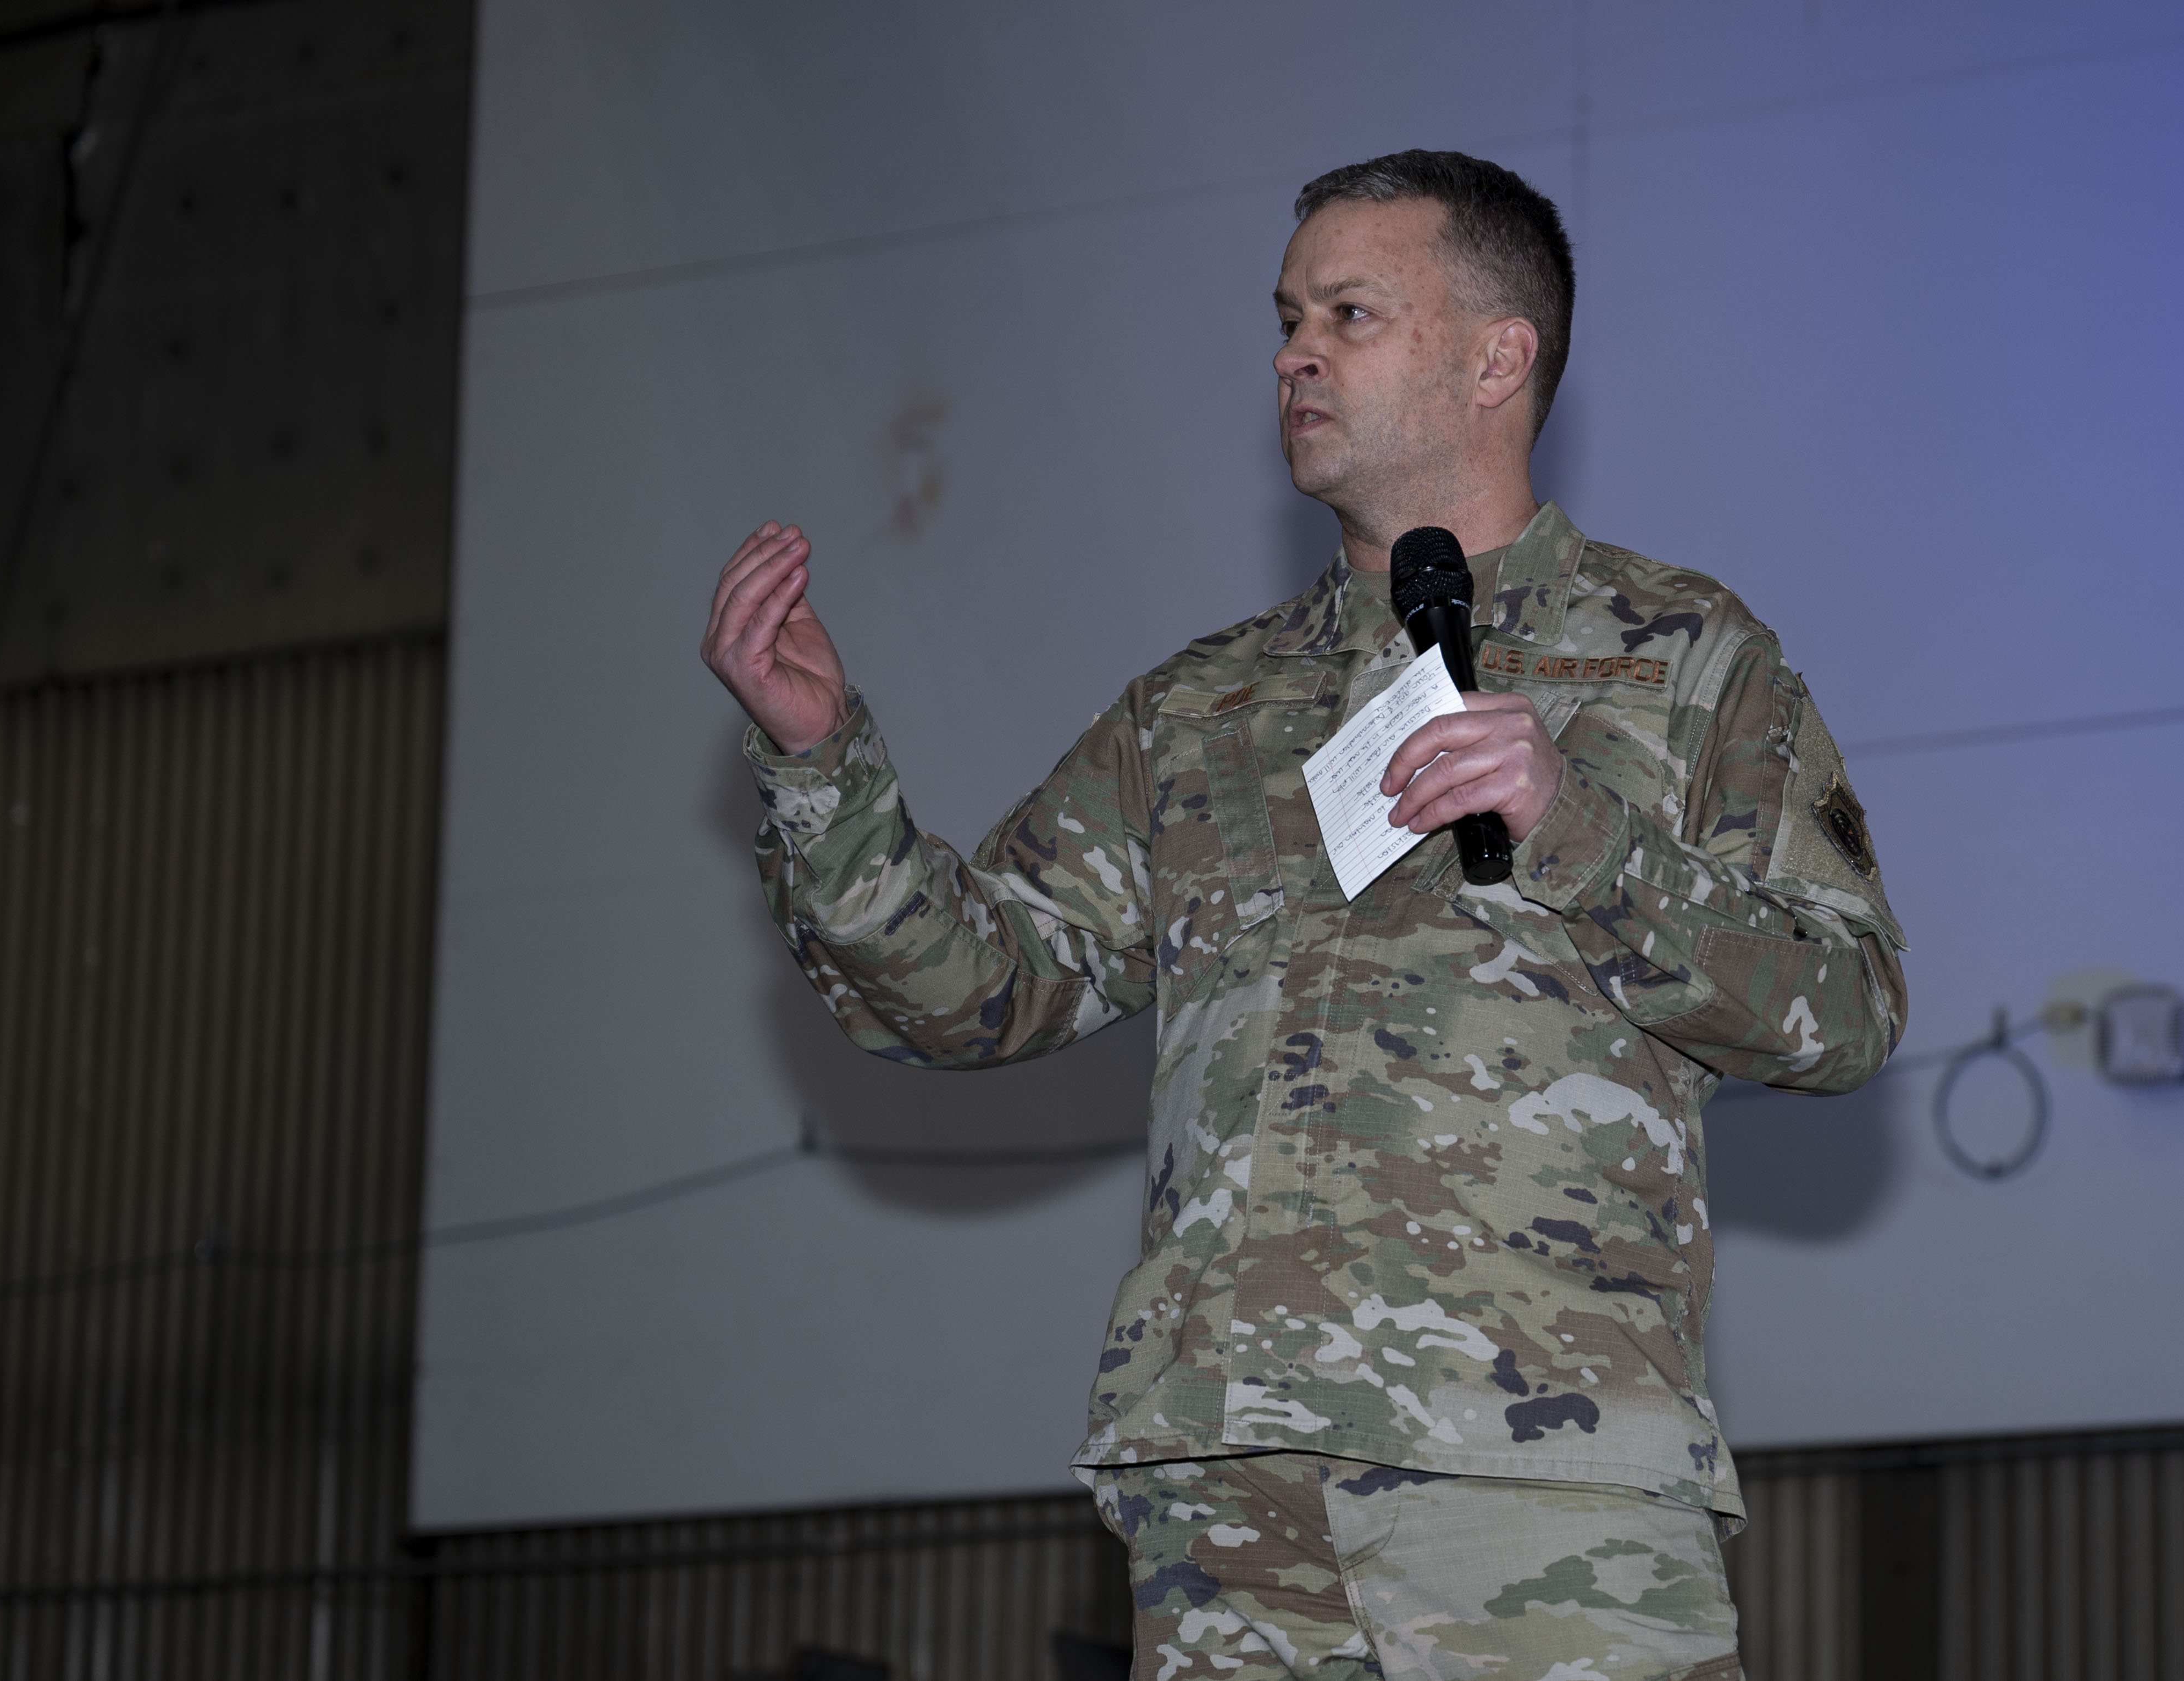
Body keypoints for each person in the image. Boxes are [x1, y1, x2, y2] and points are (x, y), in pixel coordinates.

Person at [701, 150, 1905, 1681]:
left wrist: (1578, 831)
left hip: (1534, 1463)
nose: (1295, 355)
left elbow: (1847, 1002)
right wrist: (822, 765)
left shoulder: (1682, 658)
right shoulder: (1202, 705)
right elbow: (972, 987)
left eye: (1350, 313)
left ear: (1497, 358)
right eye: (1287, 318)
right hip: (1228, 1495)